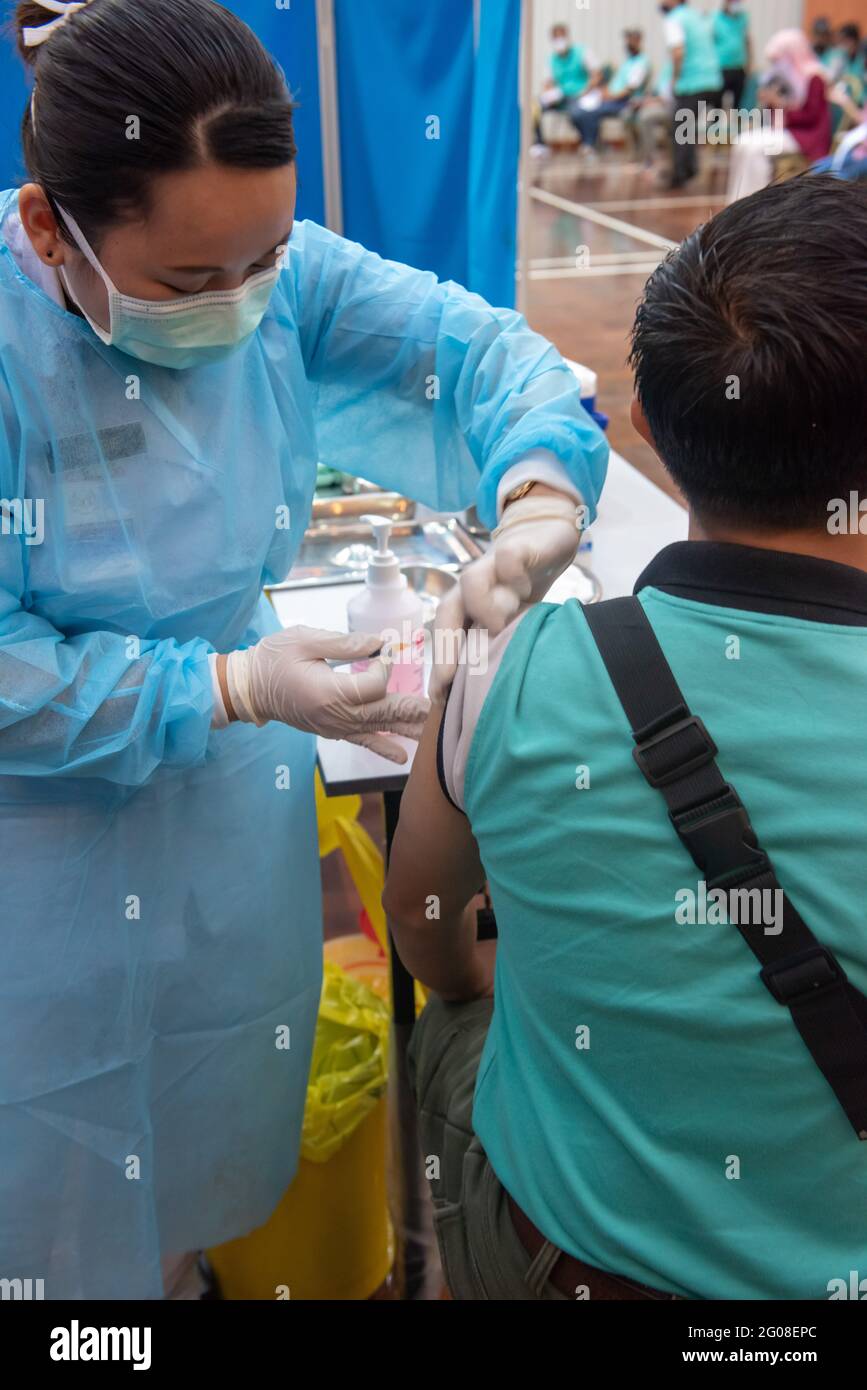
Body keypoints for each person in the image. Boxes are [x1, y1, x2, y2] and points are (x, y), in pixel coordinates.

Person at [0, 0, 608, 1300]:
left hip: (224, 820)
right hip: (33, 855)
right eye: (183, 282)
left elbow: (477, 352)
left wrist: (542, 493)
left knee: (196, 1129)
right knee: (44, 1189)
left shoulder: (269, 273)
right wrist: (219, 684)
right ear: (51, 227)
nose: (235, 306)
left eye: (261, 259)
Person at [385, 175, 867, 1301]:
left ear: (644, 428)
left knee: (457, 1015)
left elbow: (424, 924)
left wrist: (480, 972)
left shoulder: (508, 661)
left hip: (565, 1268)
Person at [727, 29, 831, 203]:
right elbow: (776, 117)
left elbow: (811, 117)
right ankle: (738, 202)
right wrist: (769, 102)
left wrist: (780, 105)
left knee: (756, 149)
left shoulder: (815, 78)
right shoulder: (788, 78)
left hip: (806, 137)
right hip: (786, 132)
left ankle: (757, 205)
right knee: (742, 142)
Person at [659, 1, 724, 189]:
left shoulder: (674, 19)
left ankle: (680, 174)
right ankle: (689, 168)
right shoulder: (696, 15)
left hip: (693, 82)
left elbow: (678, 52)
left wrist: (674, 79)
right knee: (687, 126)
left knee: (679, 127)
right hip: (713, 80)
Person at [569, 29, 651, 153]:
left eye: (632, 41)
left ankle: (590, 144)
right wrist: (603, 91)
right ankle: (589, 141)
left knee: (589, 112)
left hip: (624, 102)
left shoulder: (641, 63)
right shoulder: (628, 62)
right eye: (627, 41)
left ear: (639, 41)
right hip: (610, 98)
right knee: (576, 109)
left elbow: (629, 90)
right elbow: (616, 84)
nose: (629, 44)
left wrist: (609, 96)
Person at [531, 22, 601, 156]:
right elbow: (547, 82)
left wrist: (587, 89)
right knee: (535, 107)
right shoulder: (552, 59)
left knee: (577, 113)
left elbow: (597, 74)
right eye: (555, 39)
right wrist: (550, 92)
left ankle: (588, 143)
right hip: (560, 97)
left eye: (561, 37)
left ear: (567, 37)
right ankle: (539, 143)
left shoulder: (582, 52)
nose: (559, 42)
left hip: (580, 94)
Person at [712, 0, 752, 110]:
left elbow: (747, 41)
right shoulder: (715, 18)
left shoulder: (743, 17)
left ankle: (737, 126)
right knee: (717, 105)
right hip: (721, 68)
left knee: (739, 106)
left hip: (739, 67)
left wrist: (749, 64)